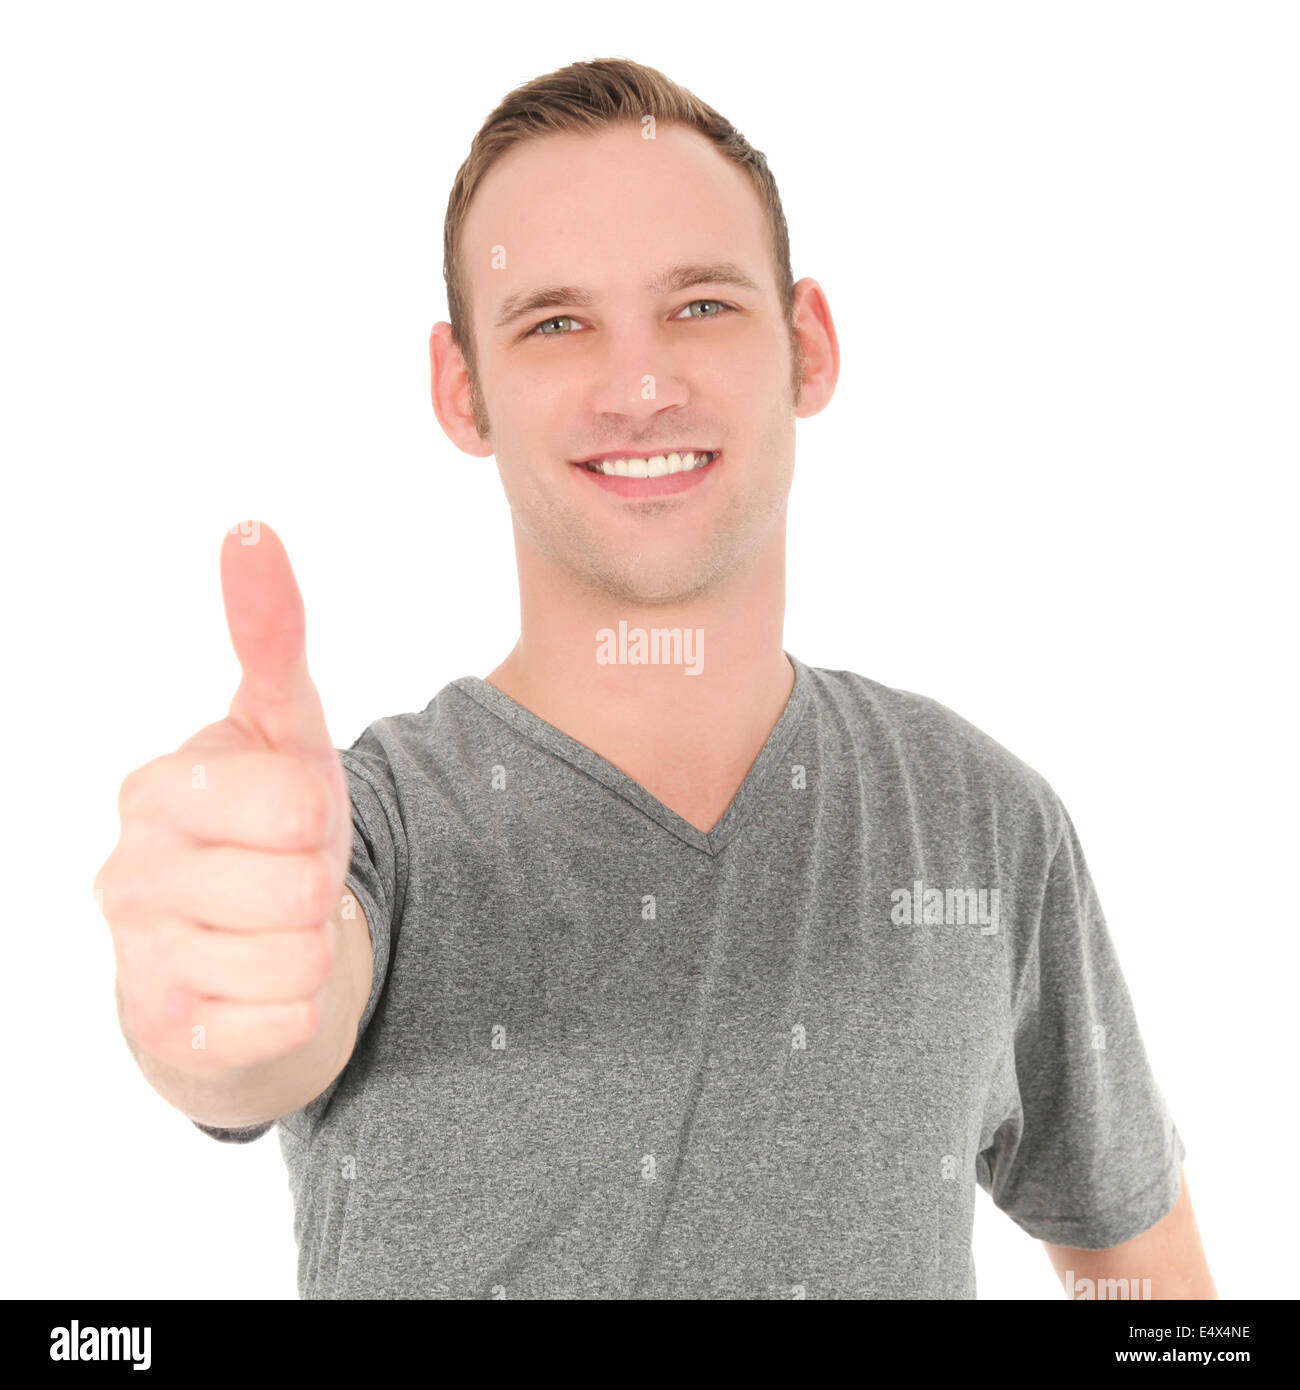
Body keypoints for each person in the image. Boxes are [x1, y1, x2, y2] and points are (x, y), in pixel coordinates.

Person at [95, 57, 1215, 1299]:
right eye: (557, 321)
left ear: (807, 346)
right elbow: (259, 1038)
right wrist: (212, 1003)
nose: (639, 386)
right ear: (462, 391)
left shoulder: (981, 822)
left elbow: (1148, 1283)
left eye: (698, 306)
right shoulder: (368, 834)